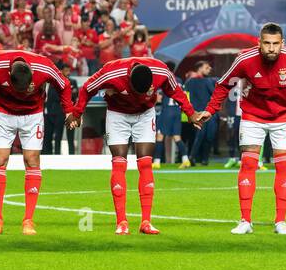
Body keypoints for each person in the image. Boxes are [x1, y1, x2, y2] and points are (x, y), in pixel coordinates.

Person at [194, 25, 286, 235]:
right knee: (248, 164)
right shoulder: (245, 59)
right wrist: (210, 110)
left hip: (284, 117)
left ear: (282, 43)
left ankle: (280, 221)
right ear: (259, 42)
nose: (271, 48)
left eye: (275, 44)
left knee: (283, 166)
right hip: (253, 116)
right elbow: (223, 84)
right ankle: (245, 220)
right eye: (267, 43)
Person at [66, 56, 196, 234]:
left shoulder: (161, 71)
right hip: (118, 115)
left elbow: (176, 92)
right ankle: (122, 222)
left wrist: (190, 113)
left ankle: (146, 222)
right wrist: (77, 112)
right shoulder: (112, 72)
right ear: (128, 82)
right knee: (119, 162)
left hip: (145, 114)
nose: (141, 95)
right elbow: (87, 88)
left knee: (145, 163)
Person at [0, 48, 72, 235]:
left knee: (32, 160)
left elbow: (64, 84)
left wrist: (69, 111)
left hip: (32, 114)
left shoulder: (44, 66)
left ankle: (28, 220)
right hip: (2, 113)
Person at [185, 60, 218, 166]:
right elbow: (214, 95)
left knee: (204, 136)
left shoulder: (189, 82)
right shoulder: (206, 81)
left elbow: (186, 97)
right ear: (199, 68)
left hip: (199, 113)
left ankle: (200, 158)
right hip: (204, 114)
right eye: (206, 68)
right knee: (203, 136)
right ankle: (195, 157)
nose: (209, 70)